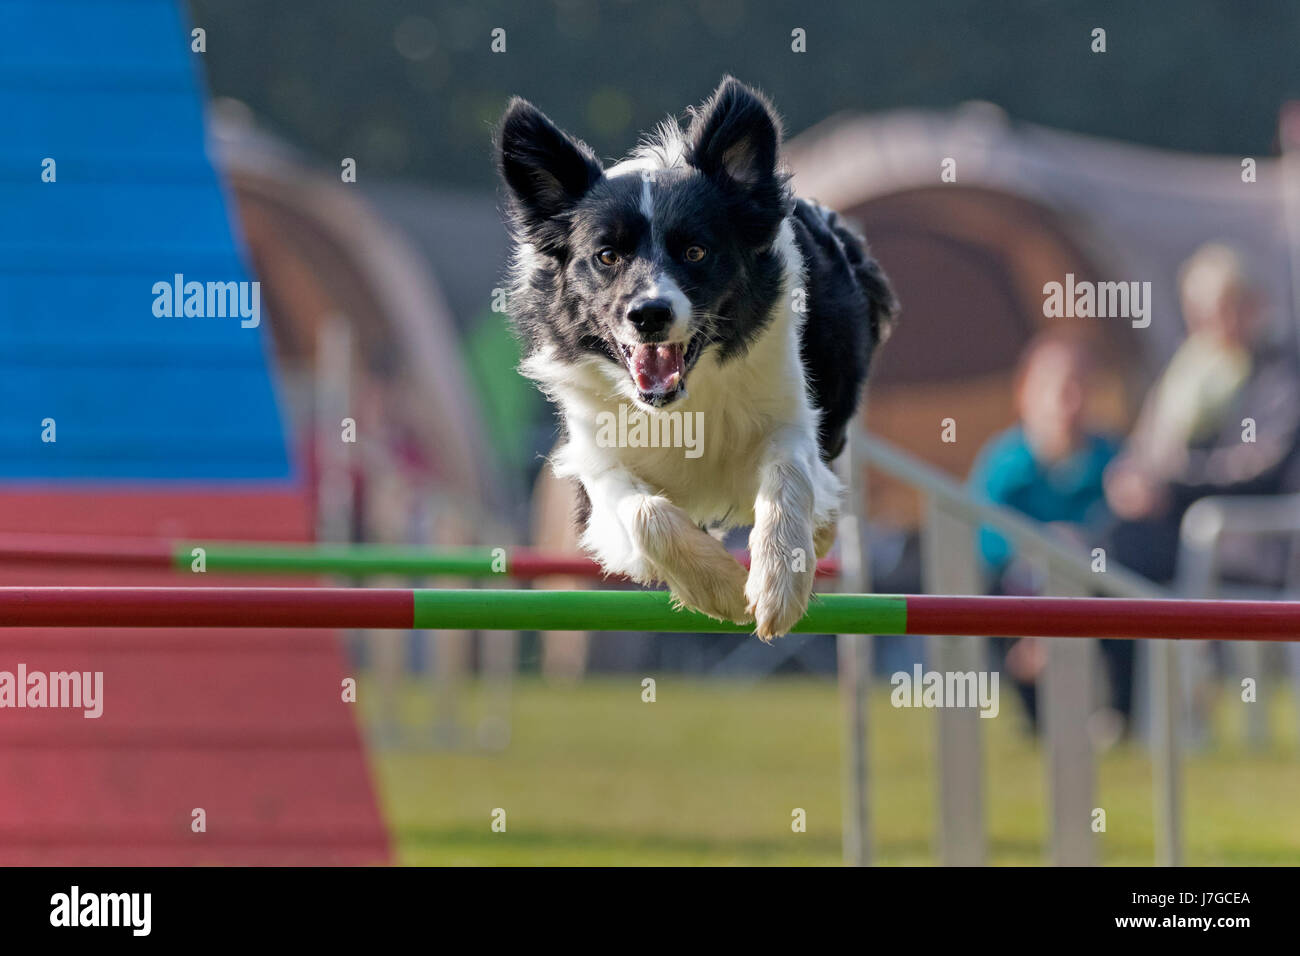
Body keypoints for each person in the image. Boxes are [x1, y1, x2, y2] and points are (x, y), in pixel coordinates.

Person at [1105, 242, 1300, 586]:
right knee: (1092, 553)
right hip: (1170, 530)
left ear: (1252, 305)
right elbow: (1142, 445)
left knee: (1124, 560)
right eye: (1199, 311)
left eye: (1223, 307)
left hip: (1245, 540)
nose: (1210, 322)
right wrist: (1129, 477)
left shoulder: (1280, 375)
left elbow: (1259, 466)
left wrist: (1172, 487)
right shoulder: (1186, 373)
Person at [968, 332, 1127, 734]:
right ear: (1024, 394)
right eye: (1056, 389)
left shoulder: (1113, 462)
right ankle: (1038, 713)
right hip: (1020, 597)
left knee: (1124, 600)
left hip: (1096, 595)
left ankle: (1119, 714)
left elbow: (1126, 538)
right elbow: (985, 541)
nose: (1068, 402)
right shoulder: (1005, 465)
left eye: (1079, 388)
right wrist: (1041, 550)